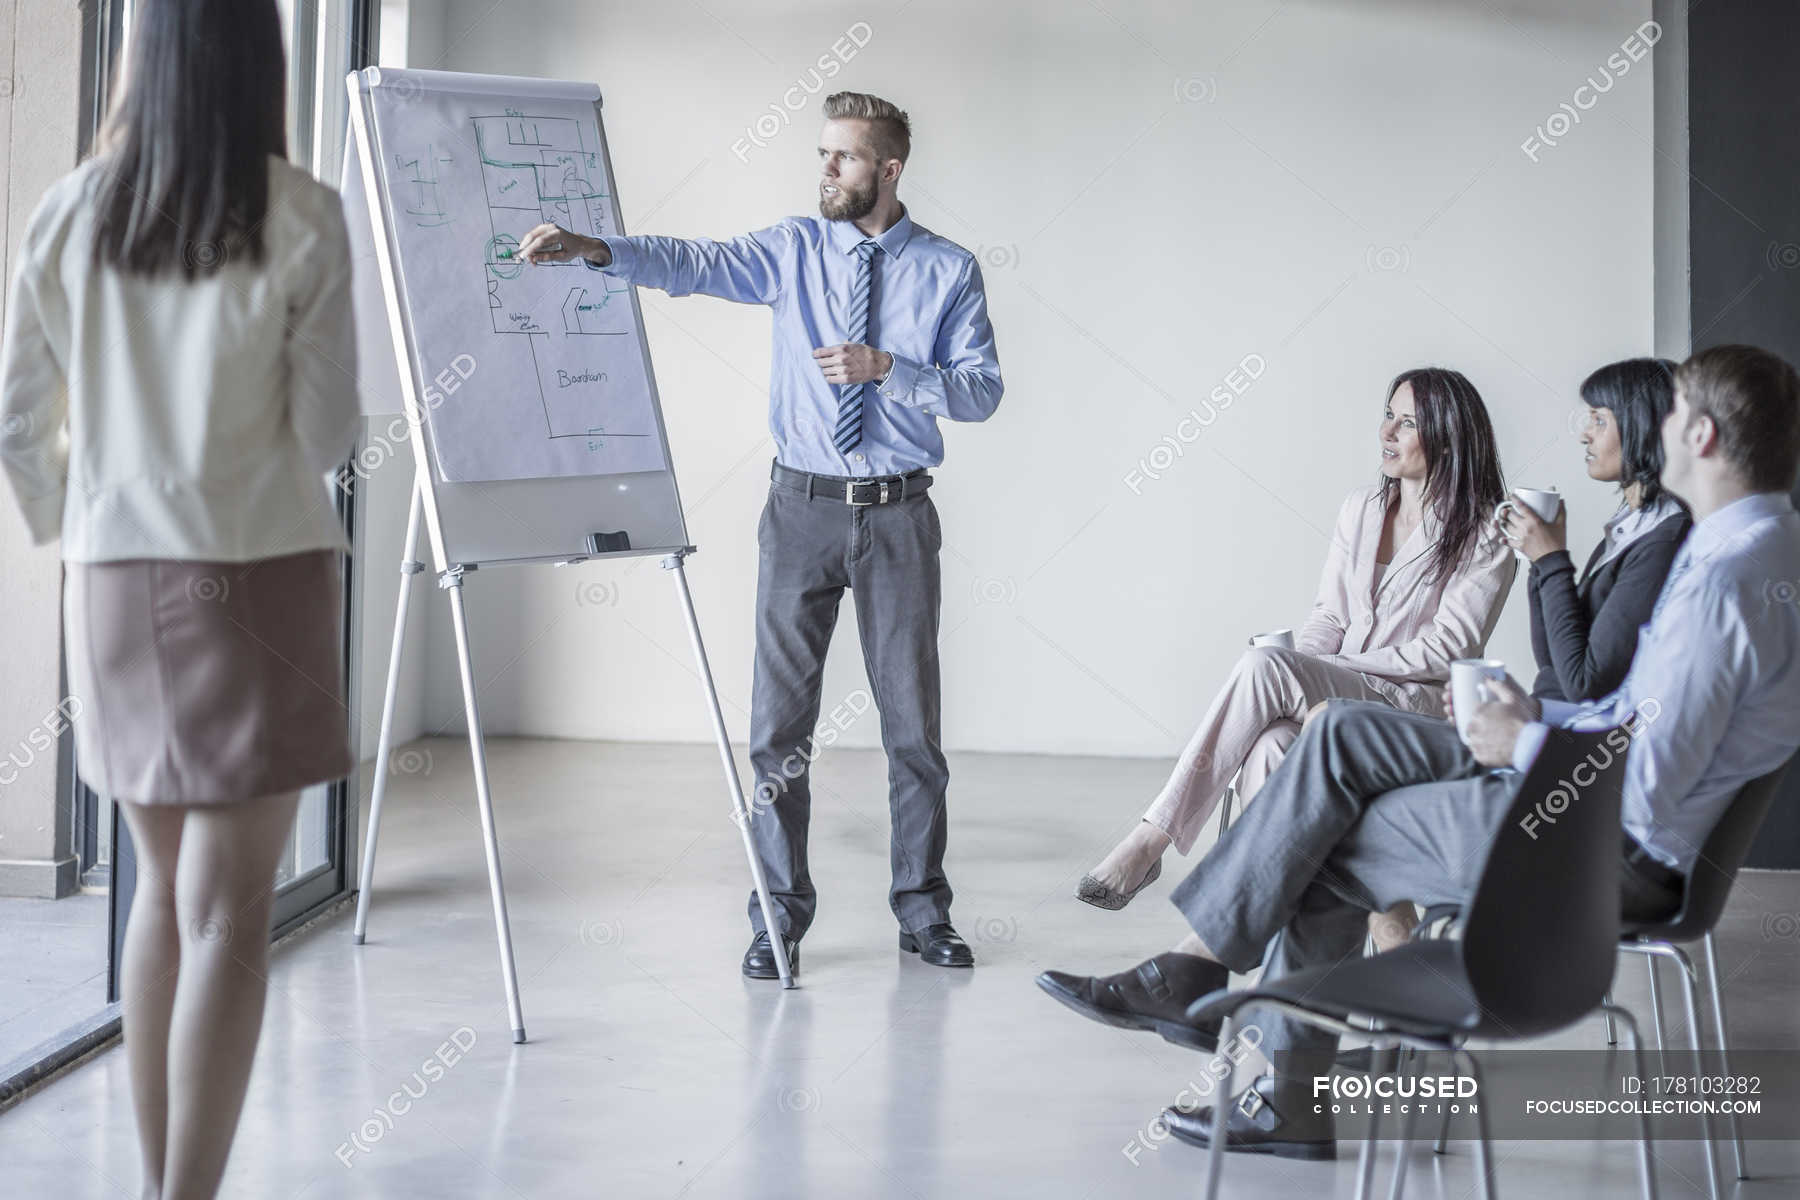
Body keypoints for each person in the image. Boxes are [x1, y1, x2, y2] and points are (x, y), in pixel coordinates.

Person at [1036, 343, 1800, 1159]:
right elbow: (1630, 717)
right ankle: (1203, 979)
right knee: (1330, 735)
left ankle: (1258, 1055)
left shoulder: (1723, 580)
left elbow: (1645, 782)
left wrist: (1527, 738)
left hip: (1598, 843)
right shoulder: (1752, 553)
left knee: (1313, 826)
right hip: (1588, 805)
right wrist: (1537, 718)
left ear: (1706, 437)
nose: (1651, 431)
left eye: (1673, 415)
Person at [516, 92, 1002, 979]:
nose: (825, 171)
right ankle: (777, 914)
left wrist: (891, 368)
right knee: (779, 730)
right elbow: (691, 261)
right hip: (801, 512)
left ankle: (923, 913)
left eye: (844, 158)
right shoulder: (792, 250)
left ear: (889, 170)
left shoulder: (949, 270)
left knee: (911, 728)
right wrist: (596, 249)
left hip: (899, 514)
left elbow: (980, 393)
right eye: (822, 154)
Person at [0, 3, 358, 1196]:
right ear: (262, 62)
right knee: (231, 916)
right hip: (261, 577)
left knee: (160, 888)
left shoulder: (67, 213)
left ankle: (158, 1184)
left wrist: (88, 525)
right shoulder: (302, 213)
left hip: (114, 584)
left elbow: (16, 425)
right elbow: (331, 430)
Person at [1078, 368, 1514, 911]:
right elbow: (1329, 613)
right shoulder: (1362, 509)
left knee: (1266, 665)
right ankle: (1269, 926)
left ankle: (1153, 837)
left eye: (1408, 423)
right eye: (1387, 415)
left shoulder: (1485, 533)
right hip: (1339, 687)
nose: (1388, 433)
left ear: (1449, 437)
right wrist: (1310, 668)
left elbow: (1445, 651)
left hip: (1410, 711)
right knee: (1269, 745)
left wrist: (1326, 668)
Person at [1499, 357, 1691, 702]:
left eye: (1599, 420)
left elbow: (1583, 685)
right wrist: (1540, 561)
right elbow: (1552, 665)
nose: (1584, 435)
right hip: (1546, 715)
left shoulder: (1663, 541)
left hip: (1578, 740)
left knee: (1368, 724)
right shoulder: (1630, 526)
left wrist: (1552, 558)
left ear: (1642, 426)